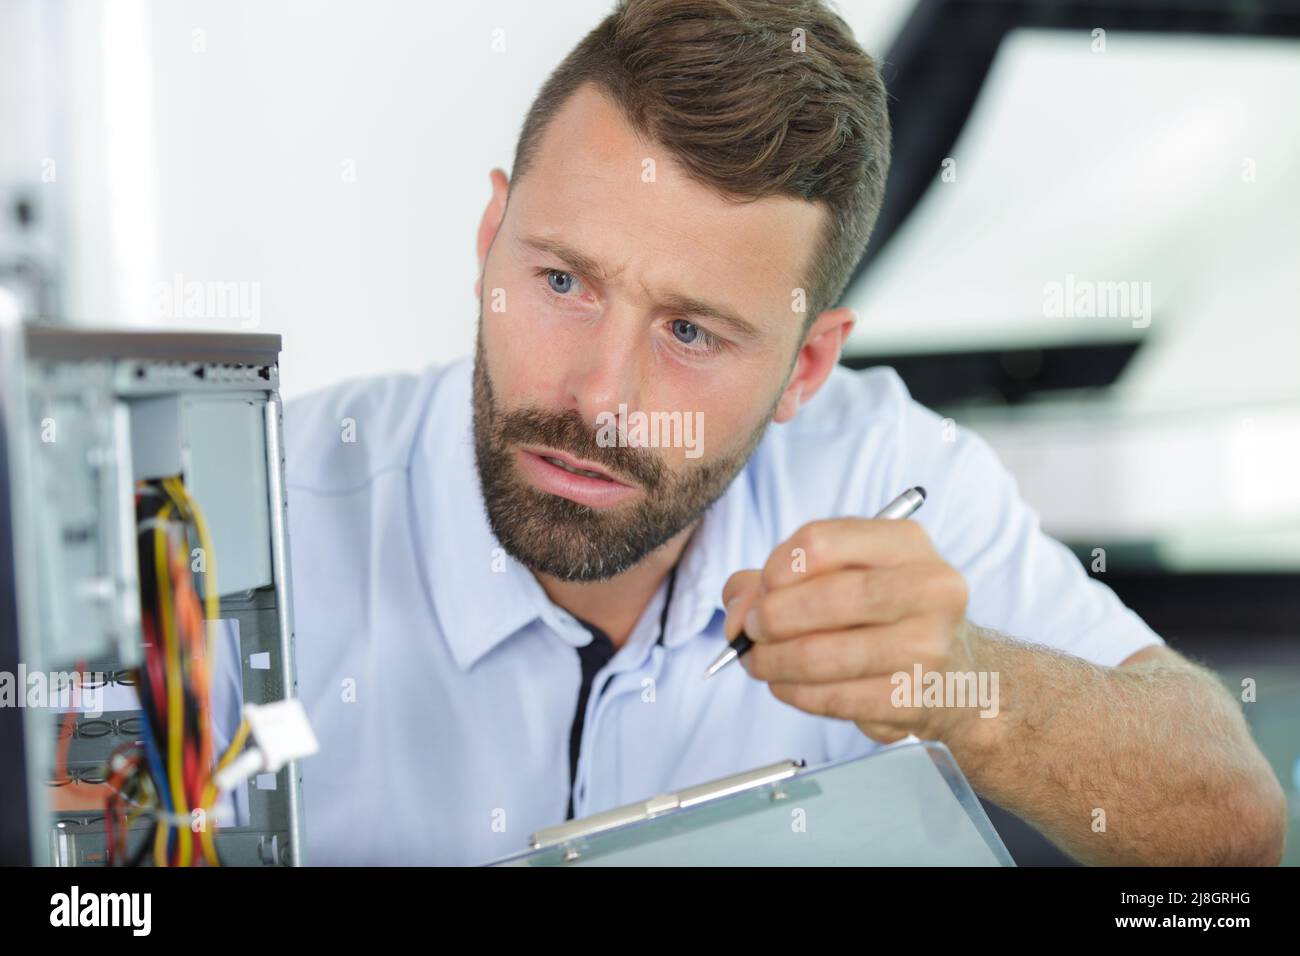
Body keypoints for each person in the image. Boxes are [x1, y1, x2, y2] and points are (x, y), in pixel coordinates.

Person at [283, 0, 1284, 865]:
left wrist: (974, 687)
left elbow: (1234, 821)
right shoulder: (261, 508)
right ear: (489, 238)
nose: (598, 396)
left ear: (805, 366)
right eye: (561, 281)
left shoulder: (890, 466)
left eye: (690, 330)